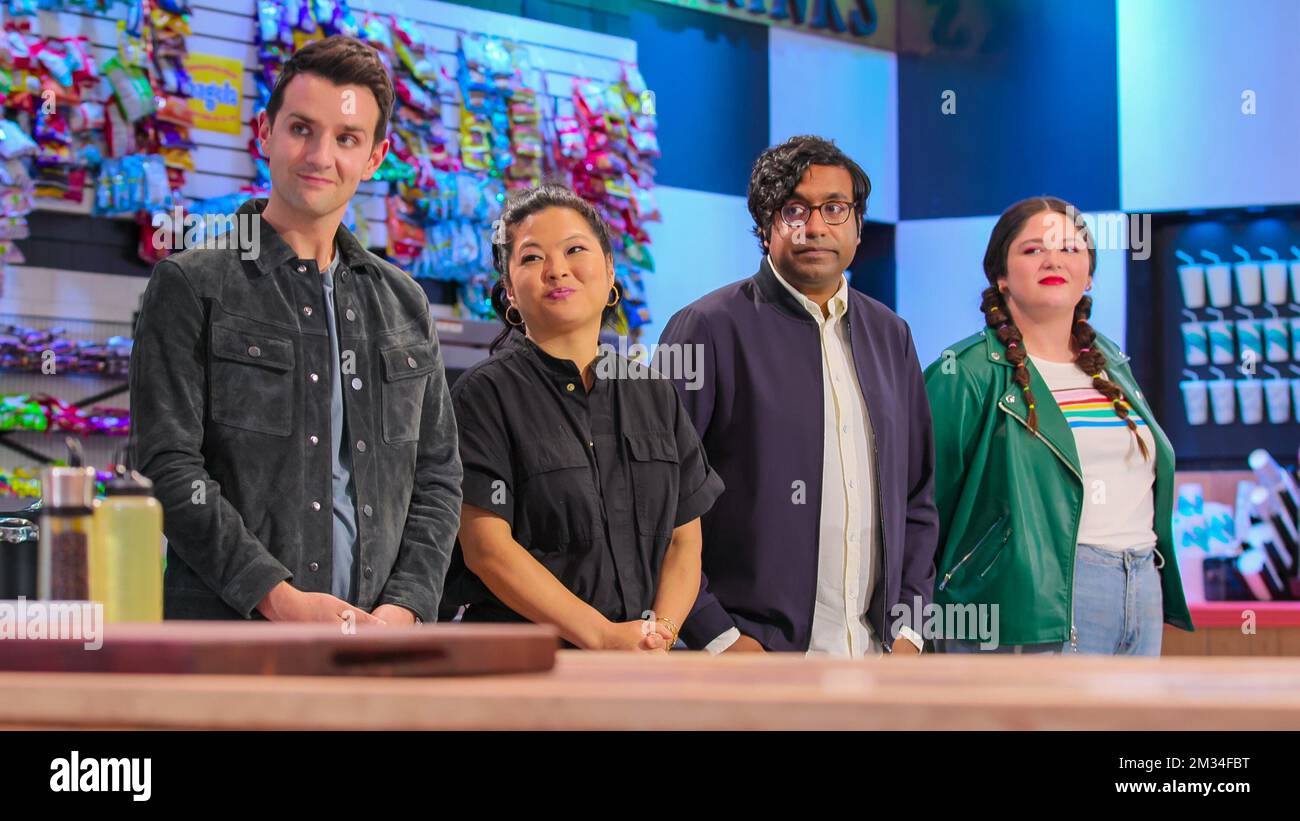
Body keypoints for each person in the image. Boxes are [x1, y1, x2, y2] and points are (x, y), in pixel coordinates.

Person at [129, 35, 463, 625]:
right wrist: (278, 600)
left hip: (378, 646)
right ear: (264, 131)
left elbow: (437, 478)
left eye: (346, 138)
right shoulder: (191, 283)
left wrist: (403, 611)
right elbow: (167, 466)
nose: (319, 155)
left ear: (375, 156)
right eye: (301, 128)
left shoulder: (405, 304)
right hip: (229, 642)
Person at [658, 135, 938, 655]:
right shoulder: (707, 328)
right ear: (765, 228)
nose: (814, 227)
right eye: (793, 210)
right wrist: (718, 637)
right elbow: (657, 496)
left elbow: (917, 498)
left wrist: (910, 629)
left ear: (857, 224)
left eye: (834, 208)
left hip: (878, 657)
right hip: (753, 659)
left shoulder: (891, 334)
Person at [445, 184, 724, 651]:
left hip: (642, 663)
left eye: (575, 249)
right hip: (529, 668)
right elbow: (486, 549)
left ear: (610, 270)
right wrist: (602, 636)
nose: (557, 270)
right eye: (532, 258)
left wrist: (660, 635)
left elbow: (683, 542)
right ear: (510, 292)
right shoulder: (482, 396)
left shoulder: (655, 393)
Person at [923, 196, 1192, 654]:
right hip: (1030, 600)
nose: (1053, 259)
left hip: (1140, 586)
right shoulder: (966, 371)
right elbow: (923, 506)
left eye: (1070, 248)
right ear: (1001, 275)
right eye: (1032, 250)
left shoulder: (1110, 363)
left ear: (1088, 275)